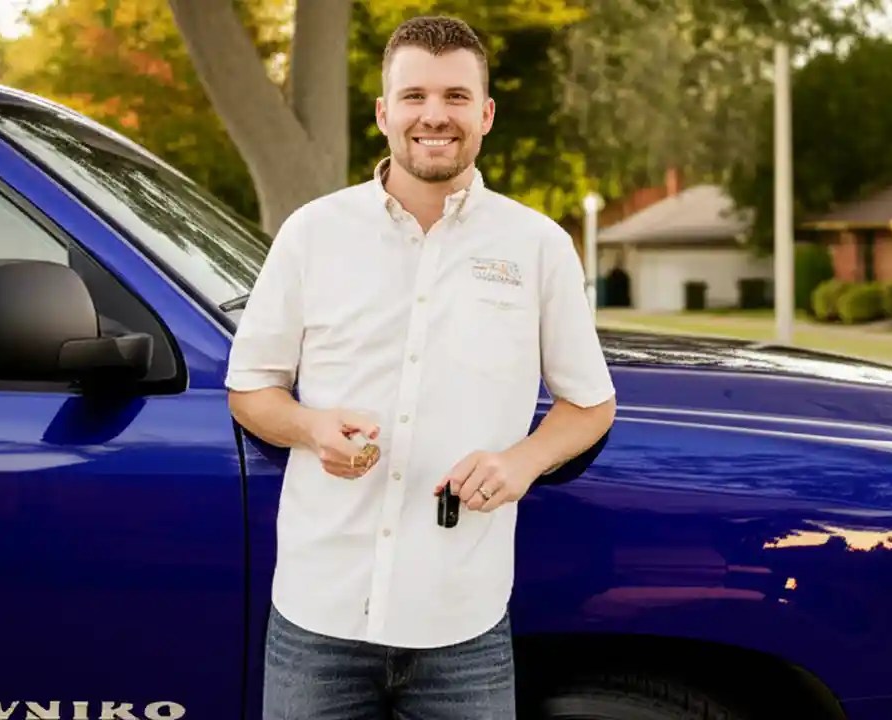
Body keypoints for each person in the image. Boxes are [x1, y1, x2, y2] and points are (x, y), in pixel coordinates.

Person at [225, 14, 617, 719]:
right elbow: (251, 388)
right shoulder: (313, 234)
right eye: (414, 97)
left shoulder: (538, 246)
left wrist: (523, 462)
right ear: (383, 112)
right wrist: (312, 428)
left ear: (486, 114)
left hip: (461, 626)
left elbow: (589, 404)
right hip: (320, 618)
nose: (433, 116)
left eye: (456, 97)